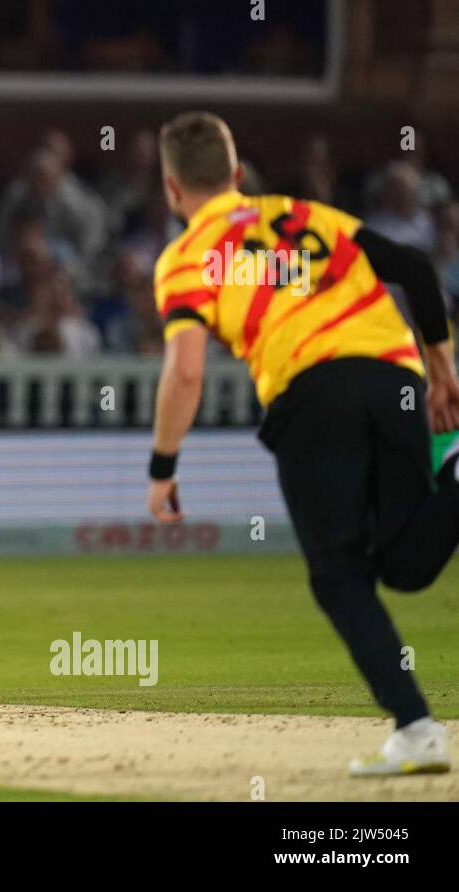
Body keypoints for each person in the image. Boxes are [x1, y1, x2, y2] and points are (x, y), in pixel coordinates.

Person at [147, 111, 456, 776]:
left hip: (314, 394)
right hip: (394, 379)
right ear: (236, 176)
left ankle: (418, 729)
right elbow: (412, 265)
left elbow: (187, 371)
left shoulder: (184, 259)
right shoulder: (302, 214)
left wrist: (163, 466)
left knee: (339, 575)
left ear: (172, 190)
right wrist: (442, 371)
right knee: (403, 564)